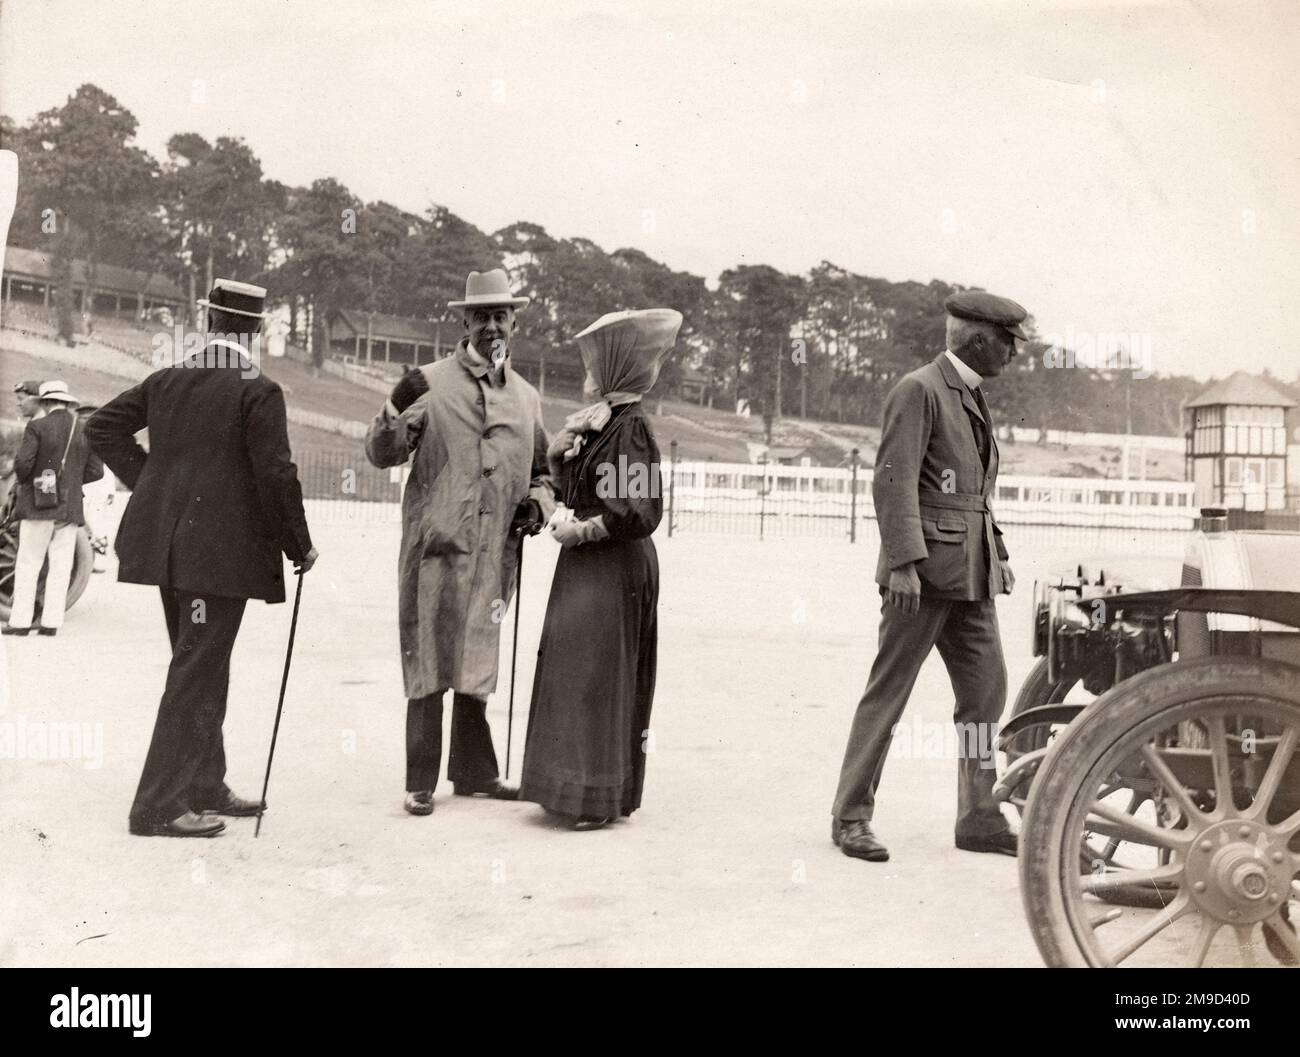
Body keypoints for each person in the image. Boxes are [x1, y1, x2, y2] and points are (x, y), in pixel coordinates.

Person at [86, 279, 318, 839]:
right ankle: (157, 806)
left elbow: (100, 427)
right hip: (220, 558)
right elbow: (276, 475)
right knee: (197, 670)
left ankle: (205, 782)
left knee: (200, 664)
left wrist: (153, 487)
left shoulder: (167, 379)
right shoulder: (256, 390)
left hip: (171, 553)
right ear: (256, 330)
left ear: (208, 322)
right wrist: (299, 543)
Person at [830, 290, 1025, 863]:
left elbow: (972, 491)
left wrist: (1000, 551)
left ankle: (979, 818)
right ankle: (850, 817)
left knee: (986, 694)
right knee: (888, 695)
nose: (1014, 354)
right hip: (922, 578)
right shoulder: (919, 389)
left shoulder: (970, 394)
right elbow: (893, 483)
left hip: (971, 576)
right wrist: (902, 565)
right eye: (1009, 342)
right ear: (979, 339)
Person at [364, 268, 553, 817]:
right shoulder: (428, 382)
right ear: (465, 321)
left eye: (502, 316)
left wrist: (538, 504)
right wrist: (394, 409)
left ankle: (476, 774)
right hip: (434, 552)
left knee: (477, 657)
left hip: (496, 554)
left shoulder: (526, 397)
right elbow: (381, 454)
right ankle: (419, 780)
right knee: (427, 660)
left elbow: (545, 471)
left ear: (513, 323)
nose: (492, 326)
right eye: (482, 317)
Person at [519, 309, 681, 830]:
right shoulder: (604, 423)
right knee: (576, 671)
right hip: (590, 568)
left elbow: (636, 511)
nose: (587, 371)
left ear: (614, 367)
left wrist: (582, 530)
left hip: (612, 567)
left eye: (594, 362)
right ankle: (567, 786)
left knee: (596, 676)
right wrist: (559, 458)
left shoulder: (630, 429)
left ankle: (593, 795)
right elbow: (585, 492)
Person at [3, 381, 104, 637]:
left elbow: (23, 465)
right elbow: (95, 471)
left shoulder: (37, 426)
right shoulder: (84, 430)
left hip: (39, 504)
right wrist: (69, 482)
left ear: (46, 402)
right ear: (69, 404)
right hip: (69, 508)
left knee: (28, 562)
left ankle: (21, 623)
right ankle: (50, 624)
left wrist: (35, 482)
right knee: (60, 565)